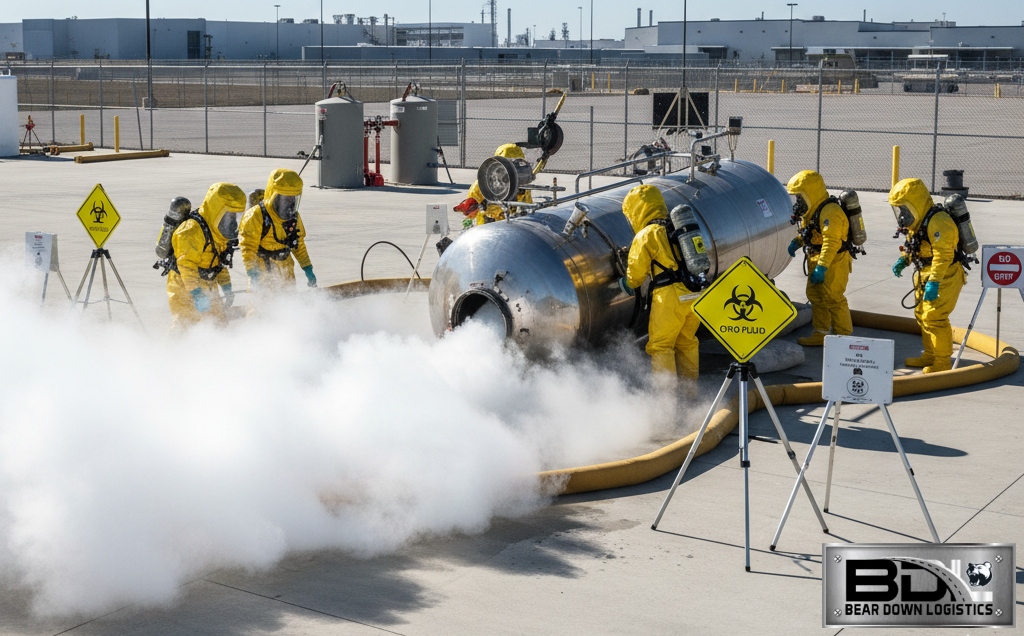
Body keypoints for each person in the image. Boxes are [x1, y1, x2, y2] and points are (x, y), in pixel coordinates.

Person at [619, 184, 701, 386]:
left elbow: (636, 275)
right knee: (687, 342)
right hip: (695, 292)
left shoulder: (647, 234)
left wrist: (626, 283)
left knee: (661, 346)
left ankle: (666, 400)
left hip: (670, 298)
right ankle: (690, 393)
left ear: (637, 211)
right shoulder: (677, 226)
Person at [889, 178, 967, 373]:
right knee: (921, 316)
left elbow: (944, 255)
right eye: (899, 209)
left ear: (915, 203)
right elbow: (913, 244)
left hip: (944, 276)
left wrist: (934, 282)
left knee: (935, 317)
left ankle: (942, 362)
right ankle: (930, 354)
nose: (902, 214)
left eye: (904, 208)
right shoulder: (918, 221)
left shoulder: (939, 221)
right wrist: (904, 260)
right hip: (924, 274)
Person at [165, 182, 247, 330]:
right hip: (184, 285)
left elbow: (218, 263)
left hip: (208, 283)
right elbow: (186, 266)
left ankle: (214, 352)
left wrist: (226, 286)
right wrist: (196, 293)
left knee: (218, 323)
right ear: (217, 210)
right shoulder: (191, 230)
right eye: (229, 215)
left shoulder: (218, 233)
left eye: (235, 215)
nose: (233, 221)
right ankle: (166, 352)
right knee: (185, 324)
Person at [786, 170, 854, 346]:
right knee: (815, 295)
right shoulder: (813, 210)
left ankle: (843, 338)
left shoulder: (830, 211)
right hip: (815, 258)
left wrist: (822, 267)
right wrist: (797, 242)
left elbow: (832, 242)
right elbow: (810, 233)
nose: (798, 202)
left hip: (834, 261)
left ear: (811, 193)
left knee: (833, 297)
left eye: (800, 197)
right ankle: (821, 332)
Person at [239, 168, 317, 290]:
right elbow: (248, 248)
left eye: (293, 199)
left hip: (286, 269)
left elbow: (298, 244)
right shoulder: (256, 215)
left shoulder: (294, 217)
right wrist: (253, 273)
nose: (289, 203)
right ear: (273, 195)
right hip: (263, 270)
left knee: (289, 305)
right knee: (261, 307)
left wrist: (307, 268)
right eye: (285, 199)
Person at [454, 144, 533, 225]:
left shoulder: (523, 186)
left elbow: (528, 209)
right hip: (488, 224)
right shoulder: (480, 185)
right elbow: (471, 208)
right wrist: (470, 214)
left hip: (509, 224)